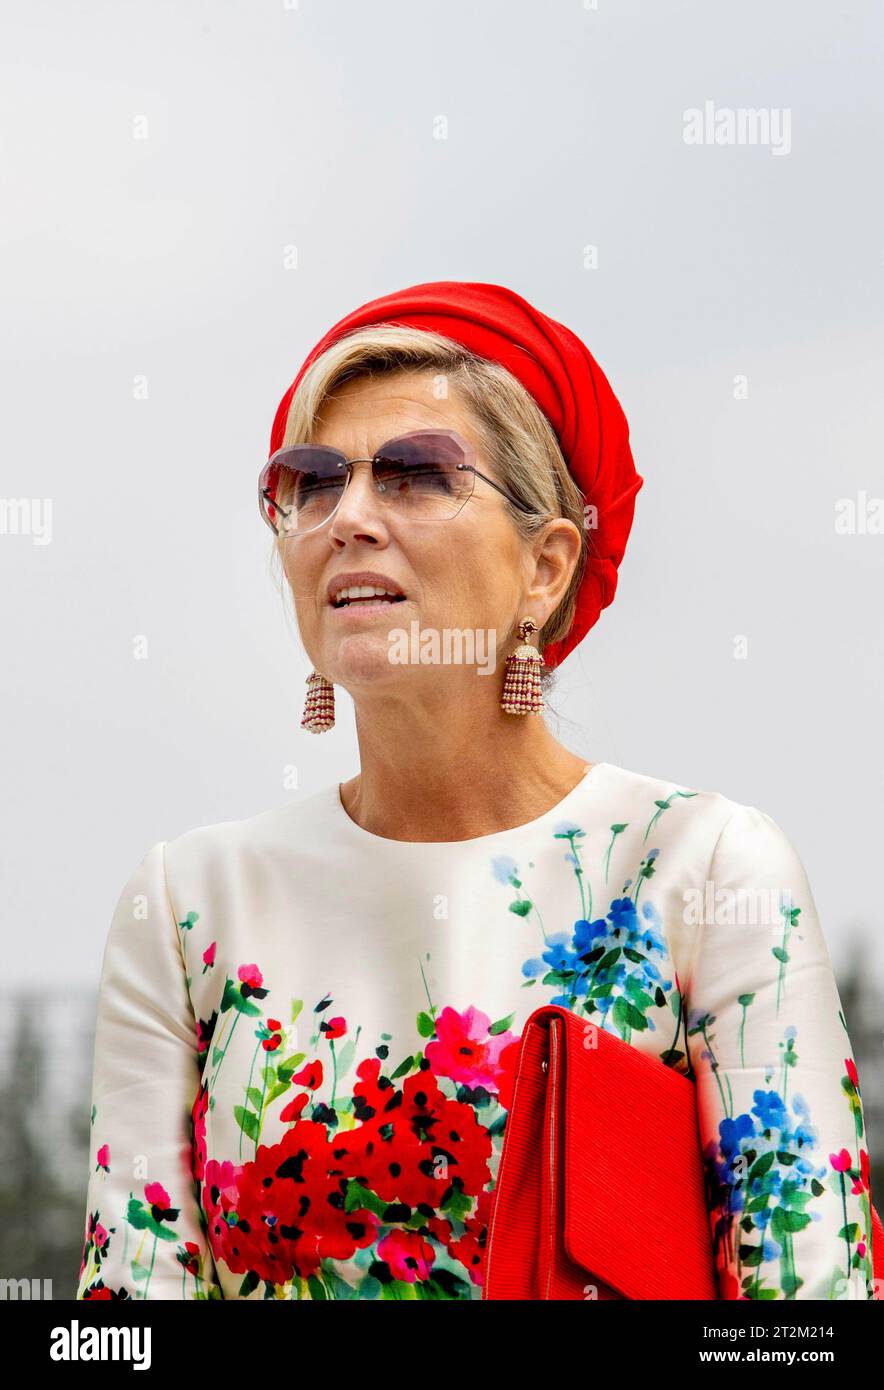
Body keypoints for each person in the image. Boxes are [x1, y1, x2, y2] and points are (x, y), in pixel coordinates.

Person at [76, 280, 876, 1301]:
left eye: (414, 476)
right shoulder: (188, 903)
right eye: (311, 483)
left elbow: (808, 1308)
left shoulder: (702, 869)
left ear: (544, 567)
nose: (349, 518)